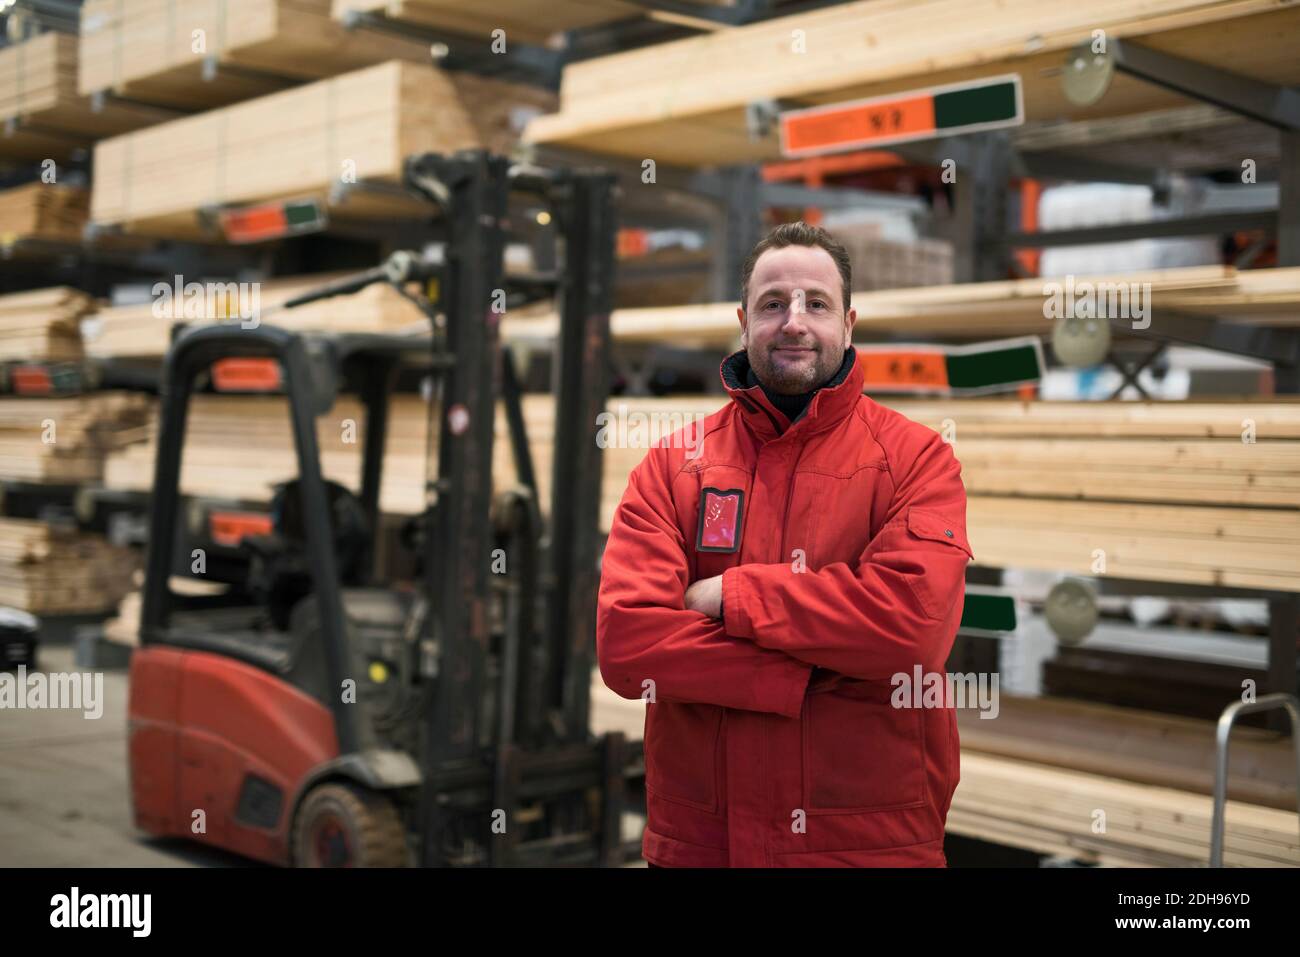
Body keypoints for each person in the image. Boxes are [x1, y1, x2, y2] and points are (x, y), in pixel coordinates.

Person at [596, 221, 973, 867]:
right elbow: (629, 646)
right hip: (701, 845)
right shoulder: (673, 466)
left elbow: (911, 629)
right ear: (744, 322)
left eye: (816, 303)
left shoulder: (916, 459)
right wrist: (807, 668)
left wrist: (732, 594)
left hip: (862, 846)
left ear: (848, 324)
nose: (793, 321)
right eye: (773, 303)